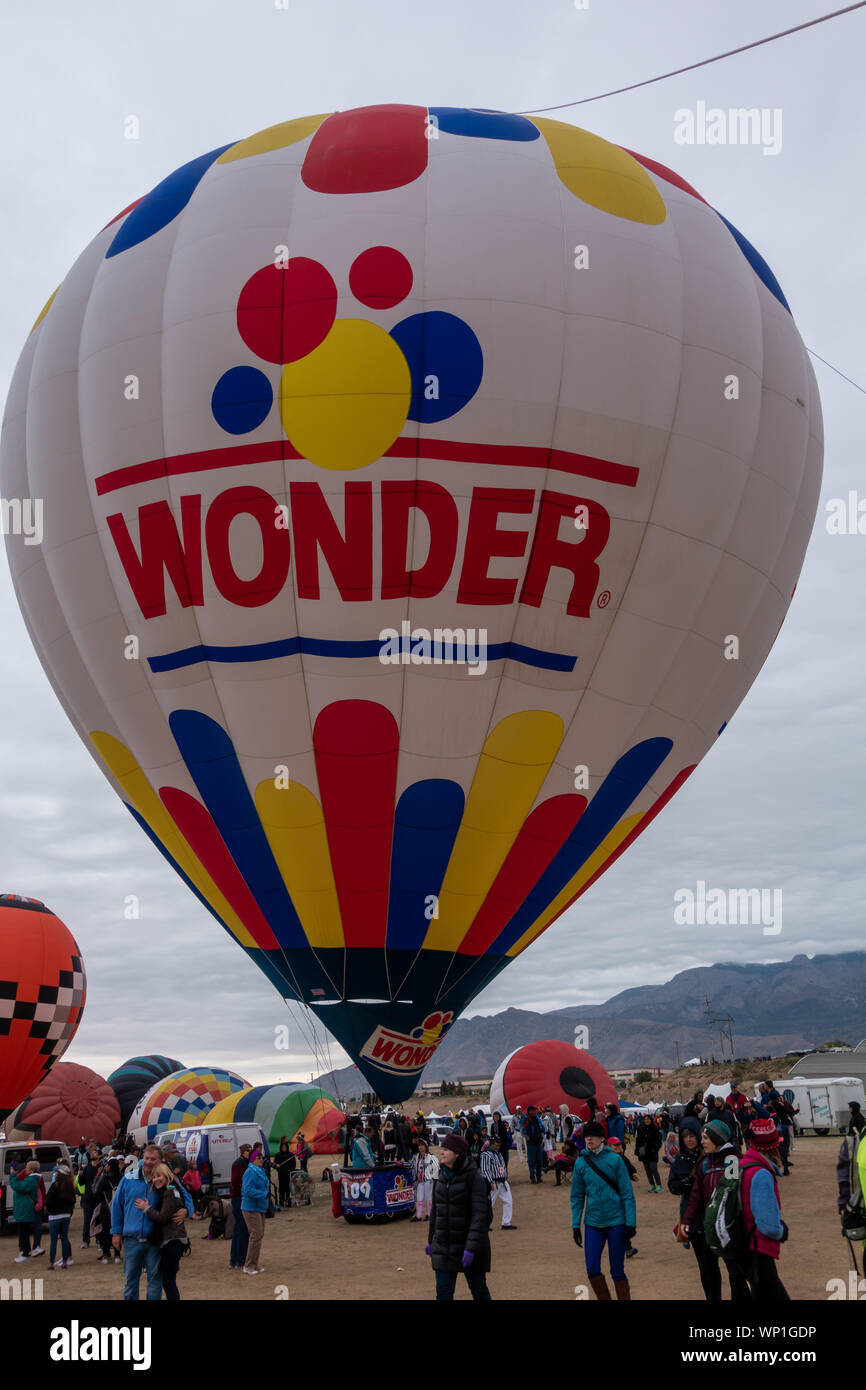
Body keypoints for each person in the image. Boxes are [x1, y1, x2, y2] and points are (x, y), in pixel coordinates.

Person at [110, 1143, 193, 1300]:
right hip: (131, 1238)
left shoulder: (166, 1178)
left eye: (153, 1159)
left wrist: (187, 1211)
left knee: (155, 1280)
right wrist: (116, 1232)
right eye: (146, 1158)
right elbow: (116, 1206)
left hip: (154, 1240)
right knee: (130, 1281)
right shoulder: (128, 1178)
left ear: (160, 1161)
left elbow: (186, 1196)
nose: (148, 1162)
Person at [681, 1120, 751, 1300]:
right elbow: (696, 1196)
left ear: (717, 1139)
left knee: (736, 1274)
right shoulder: (706, 1163)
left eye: (705, 1138)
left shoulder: (732, 1160)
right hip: (709, 1225)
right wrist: (687, 1220)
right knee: (709, 1270)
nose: (701, 1141)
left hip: (729, 1228)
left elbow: (732, 1192)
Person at [570, 1121, 636, 1300]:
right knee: (592, 1268)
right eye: (586, 1136)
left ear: (602, 1138)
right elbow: (577, 1196)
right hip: (593, 1223)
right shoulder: (581, 1164)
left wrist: (630, 1223)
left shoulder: (615, 1160)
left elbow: (627, 1194)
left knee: (617, 1270)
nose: (589, 1139)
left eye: (593, 1136)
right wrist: (576, 1225)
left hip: (617, 1221)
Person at [726, 1118, 789, 1300]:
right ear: (773, 1147)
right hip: (758, 1249)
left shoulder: (743, 1164)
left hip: (744, 1245)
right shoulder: (761, 1173)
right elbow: (767, 1225)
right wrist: (782, 1230)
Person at [426, 1134, 492, 1300]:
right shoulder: (440, 1178)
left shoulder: (474, 1177)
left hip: (470, 1246)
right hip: (444, 1248)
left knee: (479, 1291)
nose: (442, 1152)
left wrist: (470, 1248)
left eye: (446, 1149)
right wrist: (431, 1241)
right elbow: (435, 1212)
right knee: (443, 1293)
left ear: (457, 1153)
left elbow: (480, 1216)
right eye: (442, 1148)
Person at [666, 1117, 720, 1300]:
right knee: (704, 1266)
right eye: (685, 1136)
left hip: (711, 1215)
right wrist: (684, 1184)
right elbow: (672, 1186)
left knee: (713, 1264)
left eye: (692, 1136)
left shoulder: (709, 1156)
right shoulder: (679, 1160)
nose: (689, 1139)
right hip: (691, 1217)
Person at [141, 1162, 189, 1300]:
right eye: (154, 1177)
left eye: (159, 1176)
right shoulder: (174, 1190)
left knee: (168, 1281)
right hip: (174, 1240)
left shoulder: (169, 1192)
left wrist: (146, 1208)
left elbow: (163, 1217)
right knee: (168, 1280)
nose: (156, 1179)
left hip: (172, 1241)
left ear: (166, 1175)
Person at [240, 1149, 270, 1276]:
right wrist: (263, 1194)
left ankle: (254, 1264)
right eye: (258, 1158)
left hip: (260, 1207)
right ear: (253, 1159)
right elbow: (248, 1189)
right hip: (250, 1207)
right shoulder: (250, 1172)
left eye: (262, 1157)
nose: (261, 1160)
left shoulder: (260, 1171)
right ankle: (248, 1266)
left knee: (259, 1235)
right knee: (256, 1235)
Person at [480, 1136, 516, 1230]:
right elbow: (485, 1169)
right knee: (489, 1204)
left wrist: (505, 1177)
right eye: (497, 1142)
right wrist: (489, 1181)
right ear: (492, 1143)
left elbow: (502, 1167)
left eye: (499, 1142)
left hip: (503, 1182)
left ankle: (506, 1223)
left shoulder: (498, 1153)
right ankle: (484, 1224)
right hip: (493, 1182)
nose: (499, 1144)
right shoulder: (486, 1155)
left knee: (508, 1201)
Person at [10, 1160, 41, 1263]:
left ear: (32, 1170)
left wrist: (12, 1175)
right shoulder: (31, 1179)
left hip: (25, 1211)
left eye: (27, 1167)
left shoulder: (31, 1181)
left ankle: (25, 1253)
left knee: (24, 1233)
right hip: (23, 1210)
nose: (25, 1169)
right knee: (23, 1232)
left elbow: (17, 1186)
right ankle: (24, 1251)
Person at [46, 1163, 76, 1269]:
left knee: (53, 1240)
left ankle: (51, 1263)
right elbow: (73, 1201)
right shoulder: (70, 1186)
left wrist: (49, 1210)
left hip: (54, 1216)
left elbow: (48, 1201)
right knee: (64, 1239)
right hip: (66, 1215)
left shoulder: (55, 1186)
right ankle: (64, 1261)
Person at [229, 1143, 252, 1269]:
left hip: (241, 1197)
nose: (250, 1153)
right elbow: (238, 1181)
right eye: (248, 1151)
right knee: (240, 1229)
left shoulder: (246, 1163)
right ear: (243, 1152)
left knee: (242, 1229)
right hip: (238, 1198)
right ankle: (237, 1258)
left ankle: (238, 1258)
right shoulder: (239, 1164)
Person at [91, 1158, 115, 1263]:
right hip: (117, 1206)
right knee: (116, 1229)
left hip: (106, 1206)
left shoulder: (105, 1177)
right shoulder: (121, 1177)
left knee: (105, 1230)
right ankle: (117, 1254)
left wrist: (98, 1178)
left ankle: (105, 1254)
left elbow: (96, 1191)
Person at [411, 1139, 440, 1221]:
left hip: (428, 1180)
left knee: (428, 1198)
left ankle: (429, 1215)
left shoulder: (431, 1156)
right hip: (420, 1181)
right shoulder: (417, 1157)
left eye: (422, 1145)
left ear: (426, 1147)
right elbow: (412, 1165)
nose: (420, 1147)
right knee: (419, 1198)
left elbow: (437, 1167)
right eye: (419, 1145)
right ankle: (418, 1216)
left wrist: (433, 1178)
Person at [635, 1115, 663, 1192]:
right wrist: (637, 1149)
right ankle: (652, 1185)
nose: (646, 1120)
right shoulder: (640, 1129)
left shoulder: (655, 1129)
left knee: (653, 1168)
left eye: (648, 1119)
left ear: (651, 1120)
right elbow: (638, 1140)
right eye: (645, 1119)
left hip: (652, 1152)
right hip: (644, 1152)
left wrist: (655, 1148)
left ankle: (659, 1186)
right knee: (647, 1170)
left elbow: (659, 1141)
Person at [523, 1105, 545, 1184]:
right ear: (529, 1111)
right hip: (531, 1144)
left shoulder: (537, 1118)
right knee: (531, 1161)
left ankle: (539, 1177)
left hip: (538, 1142)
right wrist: (527, 1137)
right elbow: (522, 1129)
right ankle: (532, 1177)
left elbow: (542, 1127)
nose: (534, 1112)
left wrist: (542, 1135)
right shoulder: (526, 1119)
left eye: (534, 1110)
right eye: (532, 1110)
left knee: (539, 1160)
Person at [274, 1138, 296, 1208]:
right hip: (281, 1174)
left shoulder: (290, 1155)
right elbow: (275, 1164)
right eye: (282, 1147)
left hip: (288, 1174)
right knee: (282, 1187)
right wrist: (279, 1169)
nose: (284, 1148)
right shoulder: (278, 1155)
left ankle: (288, 1198)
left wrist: (291, 1170)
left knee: (288, 1187)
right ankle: (282, 1198)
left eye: (285, 1147)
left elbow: (293, 1164)